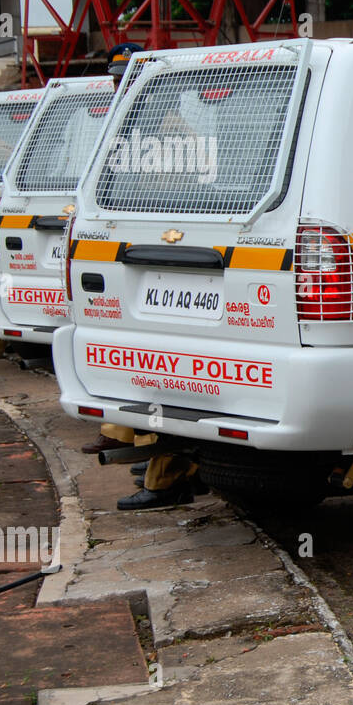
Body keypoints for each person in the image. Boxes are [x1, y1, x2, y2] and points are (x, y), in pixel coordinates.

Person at [80, 43, 203, 511]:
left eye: (125, 78)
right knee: (142, 362)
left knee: (167, 369)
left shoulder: (168, 131)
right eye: (115, 78)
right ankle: (143, 450)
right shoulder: (127, 124)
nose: (118, 87)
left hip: (164, 252)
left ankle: (168, 475)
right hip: (140, 256)